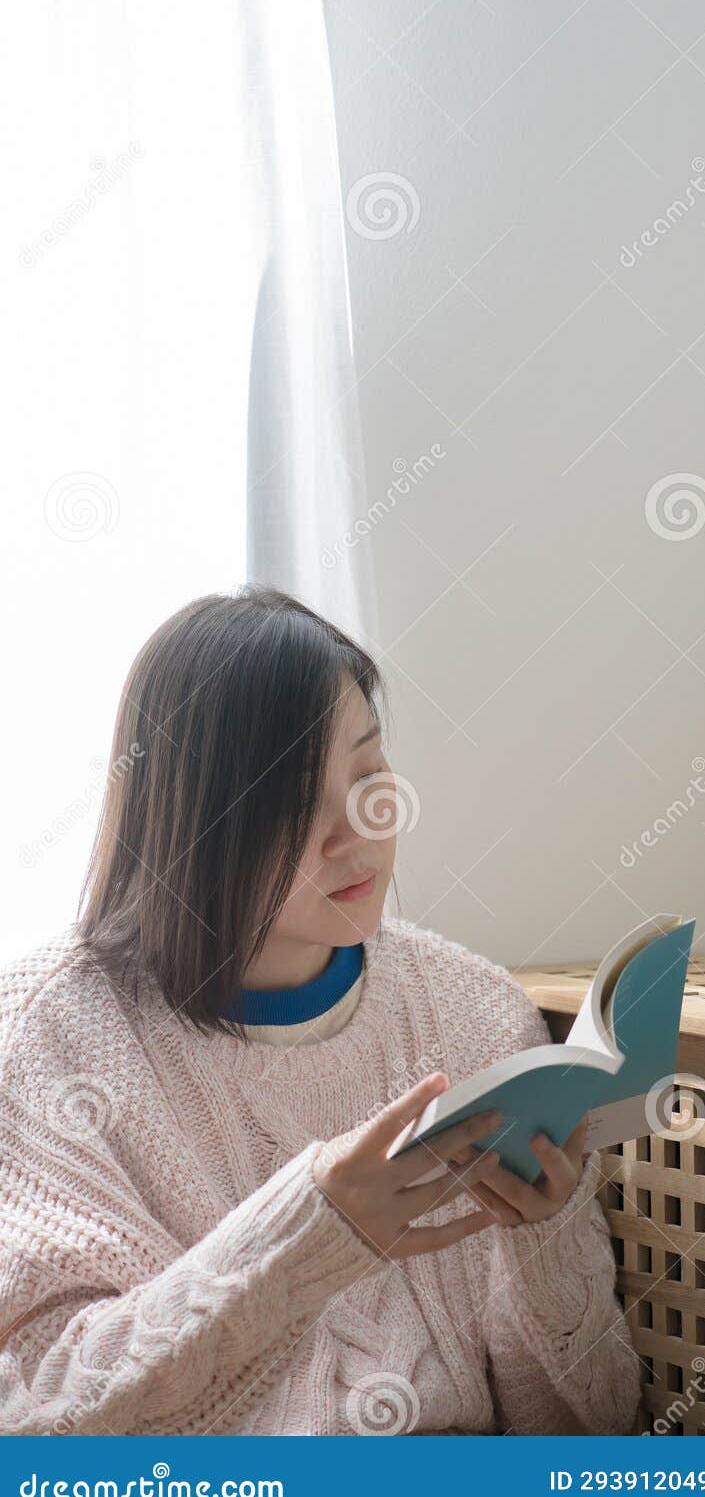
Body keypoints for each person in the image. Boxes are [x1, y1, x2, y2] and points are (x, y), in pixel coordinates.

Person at [0, 586, 641, 1436]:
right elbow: (44, 1427)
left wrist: (545, 1244)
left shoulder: (473, 1011)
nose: (359, 832)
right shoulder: (52, 1034)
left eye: (370, 777)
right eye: (296, 800)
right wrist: (304, 1236)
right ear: (191, 819)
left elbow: (585, 1434)